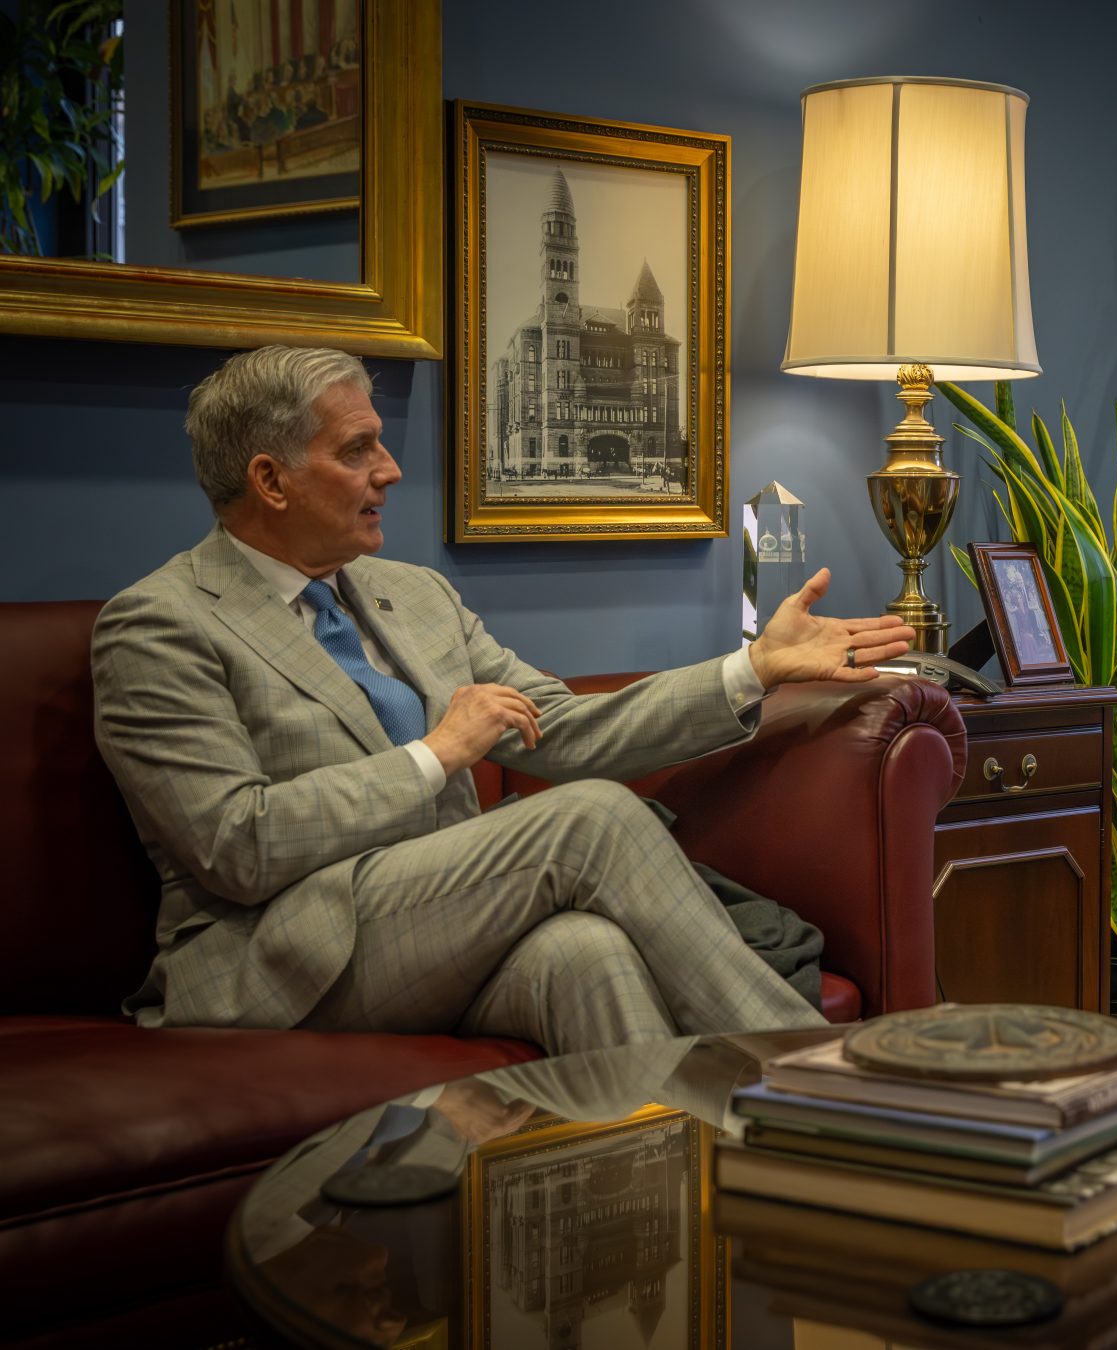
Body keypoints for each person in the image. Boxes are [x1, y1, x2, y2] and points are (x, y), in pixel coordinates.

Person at [93, 346, 914, 1054]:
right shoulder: (161, 625)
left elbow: (560, 727)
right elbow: (236, 845)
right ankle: (826, 1090)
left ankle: (695, 1205)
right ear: (270, 480)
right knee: (587, 818)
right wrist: (435, 755)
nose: (392, 470)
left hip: (445, 926)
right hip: (278, 959)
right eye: (358, 450)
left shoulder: (410, 596)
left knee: (586, 953)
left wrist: (754, 672)